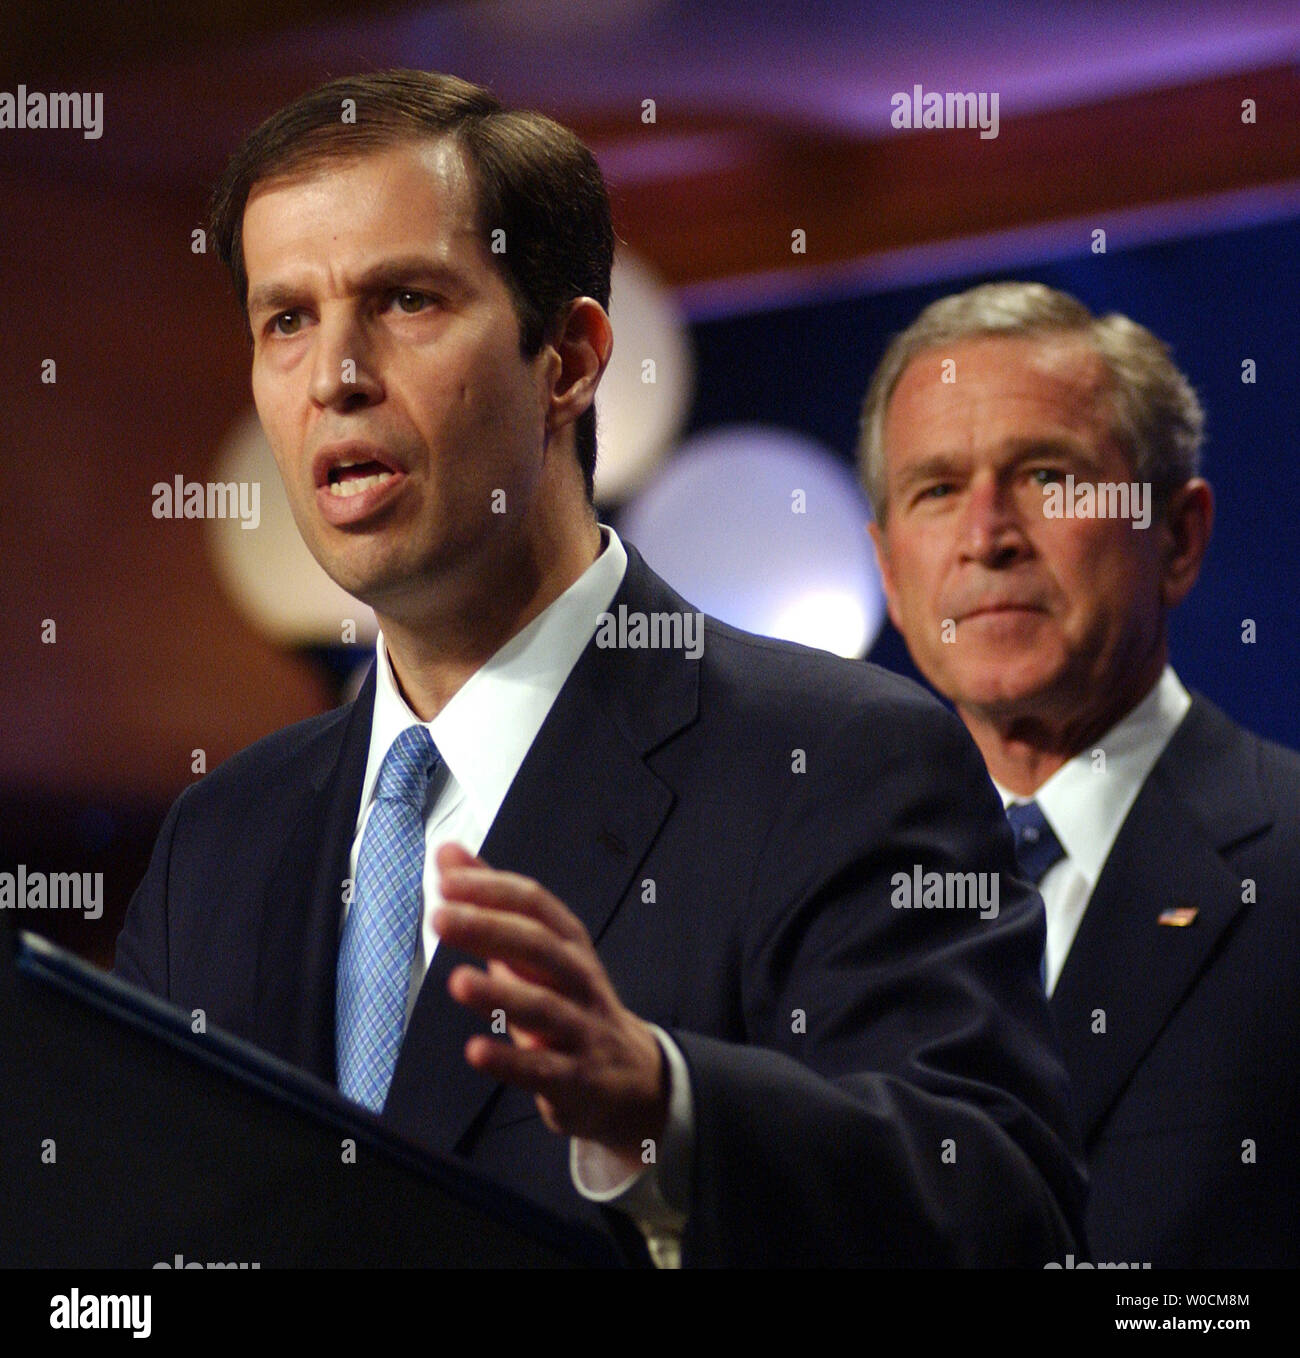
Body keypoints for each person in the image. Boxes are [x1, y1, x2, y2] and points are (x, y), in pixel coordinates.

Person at [114, 72, 1086, 1267]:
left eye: (405, 299)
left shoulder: (833, 758)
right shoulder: (221, 840)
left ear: (569, 361)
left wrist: (666, 1107)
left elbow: (997, 1205)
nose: (335, 377)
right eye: (286, 320)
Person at [860, 280, 1300, 1267]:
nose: (986, 535)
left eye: (1046, 476)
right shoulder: (822, 894)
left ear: (1177, 536)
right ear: (889, 573)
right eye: (936, 488)